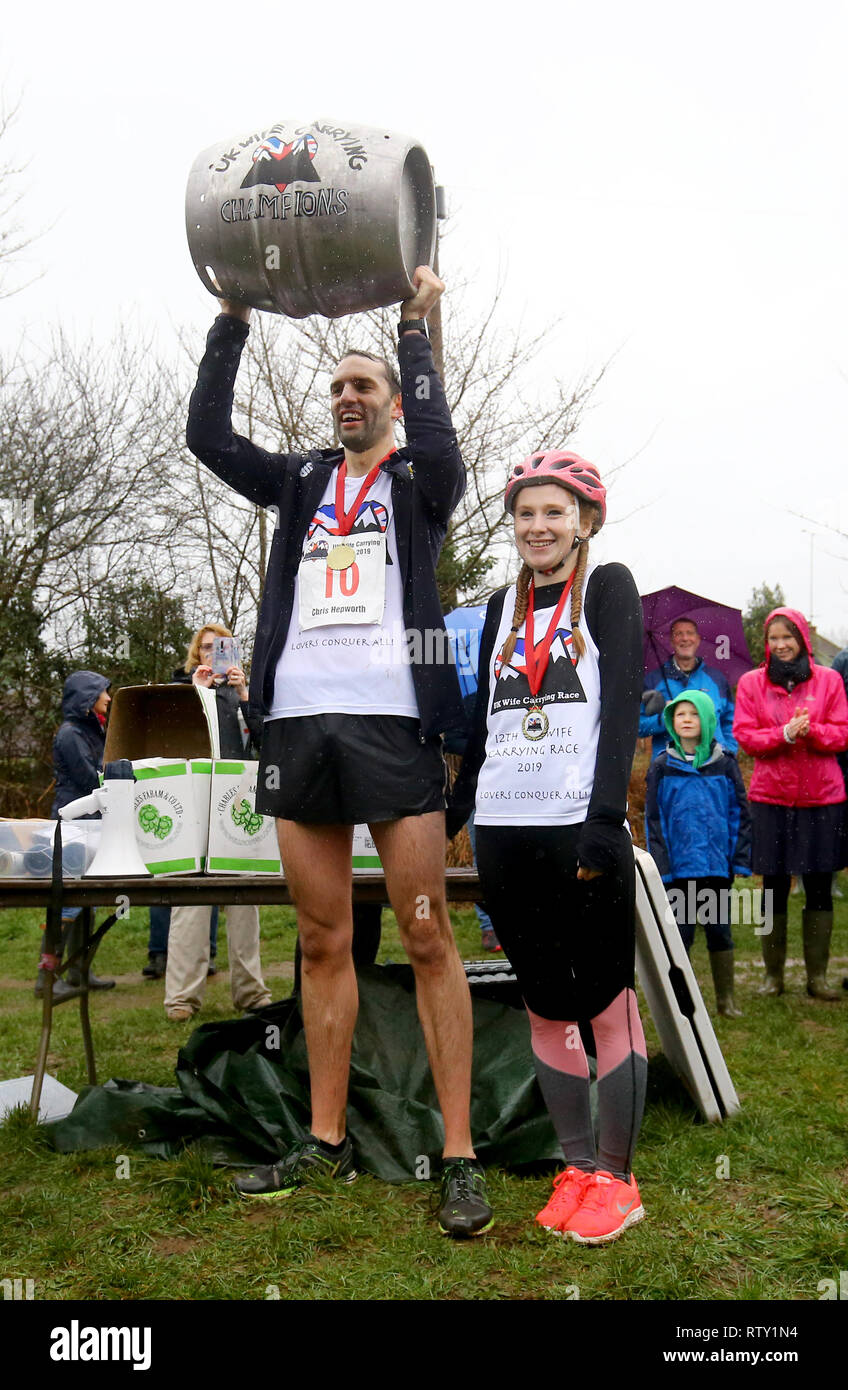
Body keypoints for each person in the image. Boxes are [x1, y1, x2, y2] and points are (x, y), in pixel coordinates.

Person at [186, 267, 491, 1237]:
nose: (347, 395)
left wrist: (413, 328)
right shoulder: (300, 479)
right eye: (337, 387)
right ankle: (324, 1143)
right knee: (319, 940)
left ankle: (457, 1155)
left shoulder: (415, 482)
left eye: (365, 386)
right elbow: (208, 437)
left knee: (424, 931)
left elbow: (442, 445)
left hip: (393, 730)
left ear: (392, 402)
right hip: (298, 732)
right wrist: (230, 321)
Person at [449, 450, 647, 1244]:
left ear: (585, 521)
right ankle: (574, 1166)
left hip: (577, 824)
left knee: (605, 1003)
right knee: (543, 1005)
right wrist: (453, 807)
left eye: (554, 512)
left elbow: (624, 703)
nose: (538, 526)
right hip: (505, 829)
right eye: (526, 513)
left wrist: (605, 817)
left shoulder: (607, 586)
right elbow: (480, 719)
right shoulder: (501, 605)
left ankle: (618, 1177)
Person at [733, 607, 848, 1000]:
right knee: (773, 888)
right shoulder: (751, 683)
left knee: (818, 885)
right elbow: (745, 737)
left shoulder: (830, 680)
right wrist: (783, 733)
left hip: (822, 798)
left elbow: (842, 735)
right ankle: (773, 977)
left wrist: (811, 731)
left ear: (801, 638)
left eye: (788, 637)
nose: (781, 645)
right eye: (774, 639)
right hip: (772, 798)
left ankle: (817, 978)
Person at [163, 623, 272, 1021]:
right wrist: (199, 692)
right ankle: (181, 998)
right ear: (197, 652)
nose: (213, 655)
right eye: (206, 648)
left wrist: (246, 695)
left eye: (221, 648)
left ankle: (251, 992)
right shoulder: (183, 690)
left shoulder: (246, 691)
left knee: (244, 900)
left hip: (238, 801)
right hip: (194, 803)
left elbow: (267, 742)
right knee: (190, 900)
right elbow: (172, 740)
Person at [645, 690, 751, 1017]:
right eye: (680, 715)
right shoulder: (662, 767)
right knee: (682, 934)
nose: (687, 720)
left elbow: (740, 814)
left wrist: (739, 860)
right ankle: (684, 1003)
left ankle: (726, 1001)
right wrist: (661, 867)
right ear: (671, 722)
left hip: (717, 867)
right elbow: (654, 820)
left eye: (693, 714)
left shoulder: (725, 764)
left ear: (707, 720)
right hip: (678, 870)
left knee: (720, 931)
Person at [35, 671, 115, 1001]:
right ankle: (47, 979)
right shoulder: (70, 734)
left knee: (88, 902)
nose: (108, 698)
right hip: (71, 825)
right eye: (102, 692)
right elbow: (88, 778)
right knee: (65, 904)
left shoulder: (91, 729)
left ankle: (80, 970)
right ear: (85, 697)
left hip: (91, 824)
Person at [640, 618, 737, 760]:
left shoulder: (717, 679)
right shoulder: (653, 680)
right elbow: (637, 726)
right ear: (671, 640)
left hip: (713, 769)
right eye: (679, 634)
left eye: (689, 633)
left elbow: (731, 721)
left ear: (697, 639)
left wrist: (729, 752)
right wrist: (665, 719)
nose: (685, 638)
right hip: (670, 770)